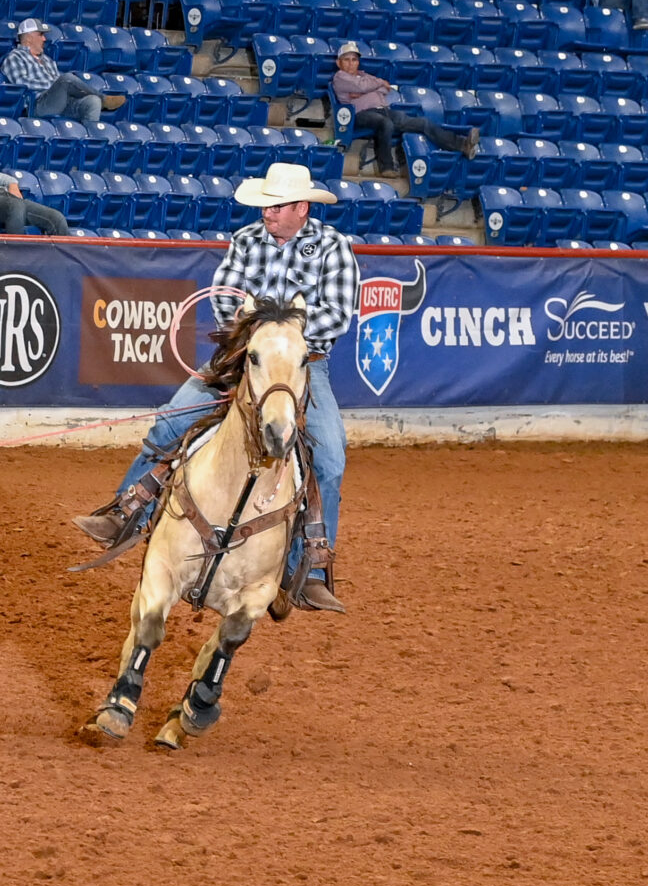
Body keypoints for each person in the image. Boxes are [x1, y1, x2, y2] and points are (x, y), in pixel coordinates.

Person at [73, 161, 356, 603]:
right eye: (265, 206)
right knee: (169, 422)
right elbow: (225, 301)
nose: (266, 213)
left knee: (330, 459)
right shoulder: (246, 242)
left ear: (301, 208)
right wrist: (261, 336)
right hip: (239, 357)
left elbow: (336, 315)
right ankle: (127, 510)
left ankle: (309, 565)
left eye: (275, 206)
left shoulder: (333, 248)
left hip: (302, 367)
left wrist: (270, 329)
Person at [329, 41, 478, 172]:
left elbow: (384, 88)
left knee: (423, 122)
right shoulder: (340, 77)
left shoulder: (364, 76)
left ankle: (462, 144)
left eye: (354, 60)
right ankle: (386, 167)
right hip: (359, 114)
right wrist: (372, 86)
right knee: (385, 123)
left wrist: (369, 88)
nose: (350, 63)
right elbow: (366, 86)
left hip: (383, 109)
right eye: (346, 60)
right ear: (339, 63)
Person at [0, 18, 103, 122]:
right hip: (38, 105)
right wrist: (55, 84)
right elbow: (21, 82)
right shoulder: (15, 57)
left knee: (93, 101)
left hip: (60, 101)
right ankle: (104, 98)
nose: (44, 39)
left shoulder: (47, 59)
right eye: (40, 35)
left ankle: (89, 134)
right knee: (67, 78)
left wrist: (58, 85)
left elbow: (58, 82)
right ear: (29, 38)